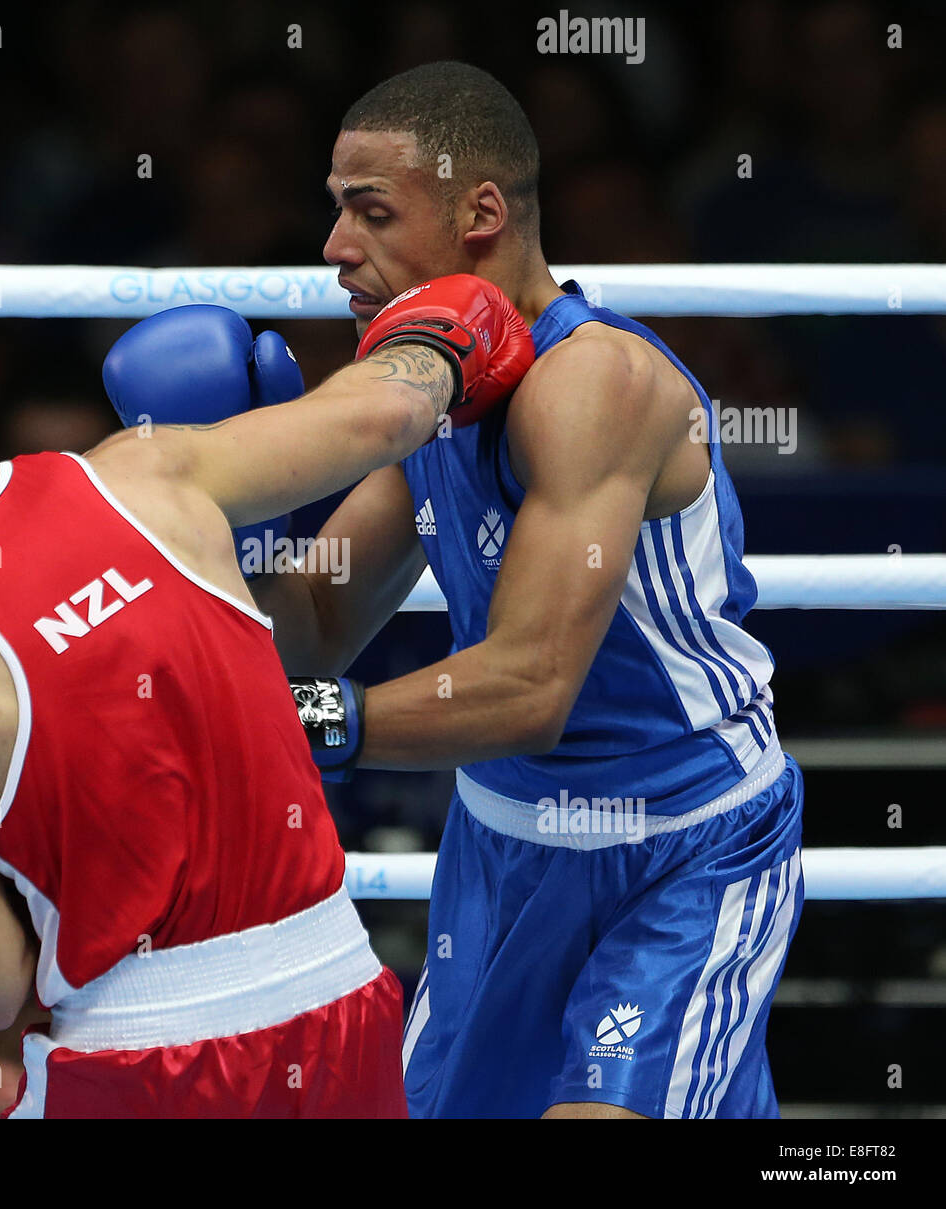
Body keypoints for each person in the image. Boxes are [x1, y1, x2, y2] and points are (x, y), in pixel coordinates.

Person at [0, 278, 534, 1119]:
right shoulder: (147, 469)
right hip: (342, 997)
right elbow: (391, 414)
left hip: (138, 1057)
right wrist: (474, 306)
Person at [248, 61, 804, 1119]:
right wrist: (240, 522)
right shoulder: (427, 386)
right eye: (336, 213)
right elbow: (314, 626)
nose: (335, 250)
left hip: (678, 847)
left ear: (481, 212)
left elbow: (529, 685)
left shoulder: (593, 382)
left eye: (371, 213)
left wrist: (297, 726)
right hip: (500, 849)